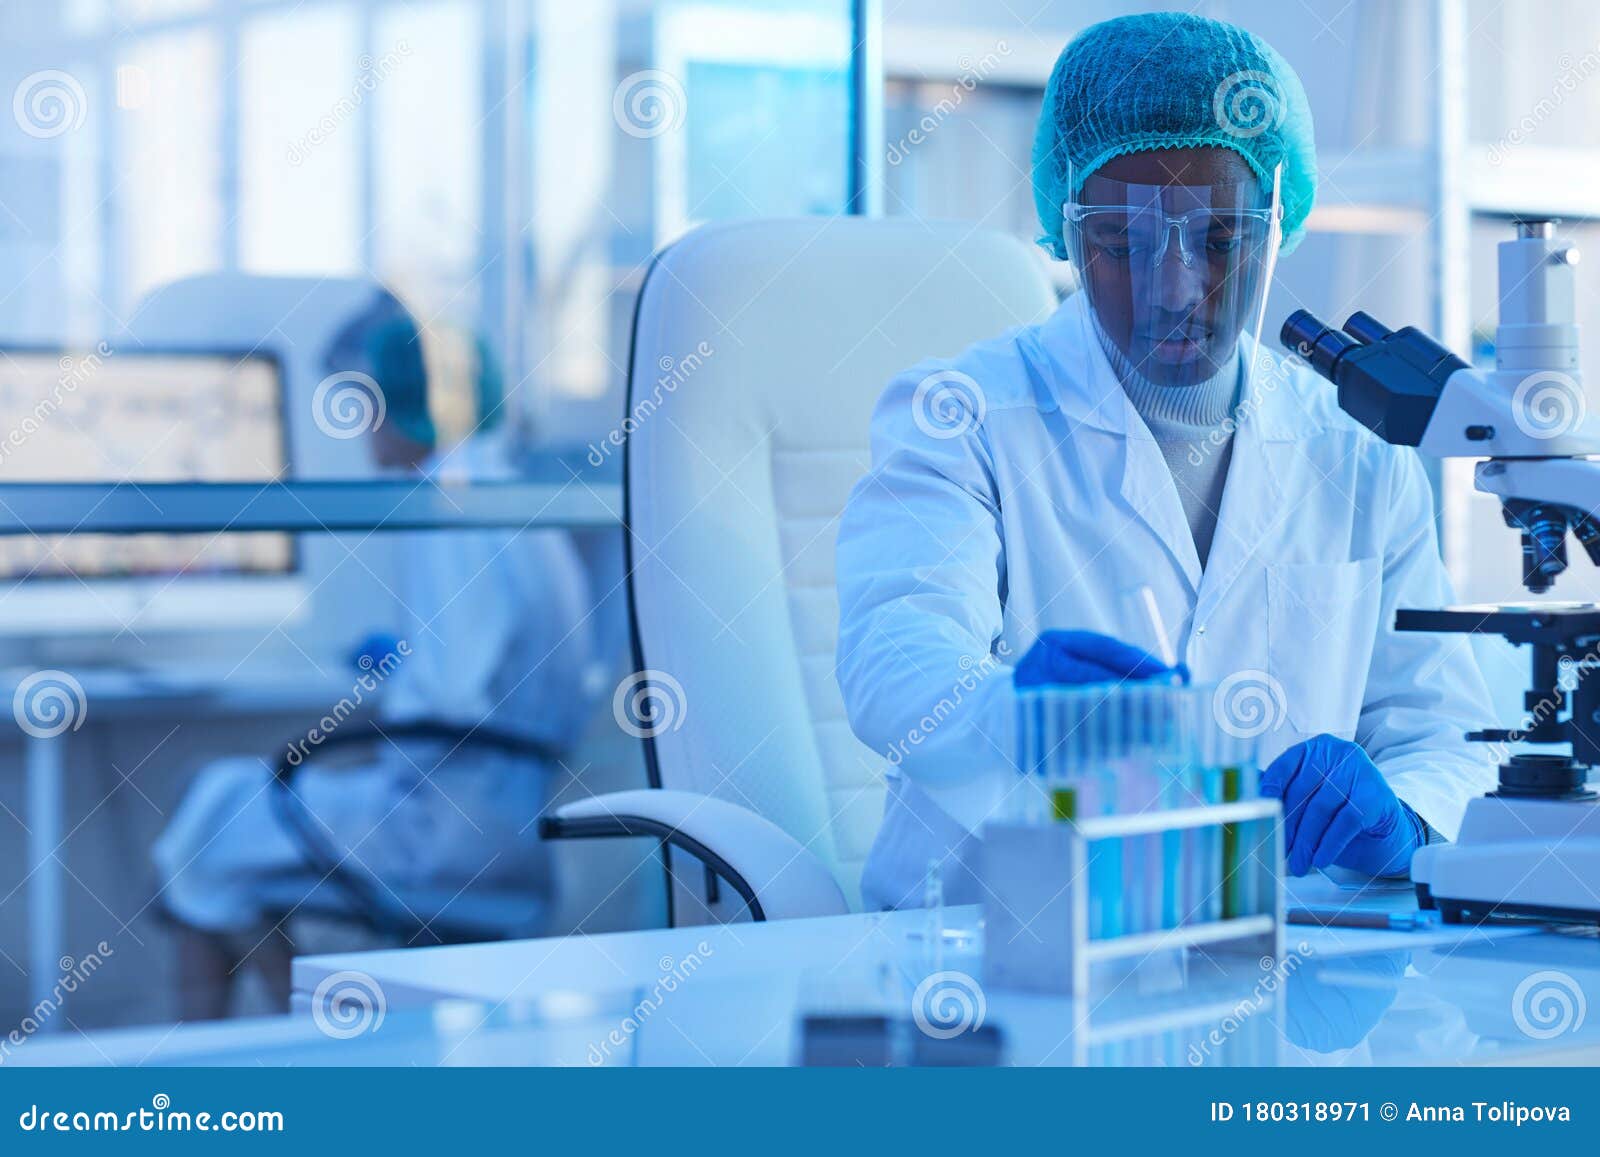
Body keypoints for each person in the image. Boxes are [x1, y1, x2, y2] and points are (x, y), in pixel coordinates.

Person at [834, 12, 1496, 910]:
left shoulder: (1357, 450)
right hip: (988, 944)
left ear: (1277, 221)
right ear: (1068, 232)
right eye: (1123, 241)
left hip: (1275, 951)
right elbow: (894, 662)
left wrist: (1404, 818)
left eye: (1220, 238)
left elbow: (1441, 729)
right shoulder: (963, 418)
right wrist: (1019, 711)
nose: (1176, 289)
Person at [153, 292, 596, 1017]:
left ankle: (237, 1058)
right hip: (511, 823)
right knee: (226, 824)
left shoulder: (449, 504)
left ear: (403, 403)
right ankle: (304, 1041)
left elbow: (448, 702)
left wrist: (343, 732)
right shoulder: (506, 494)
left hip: (447, 834)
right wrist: (402, 672)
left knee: (210, 813)